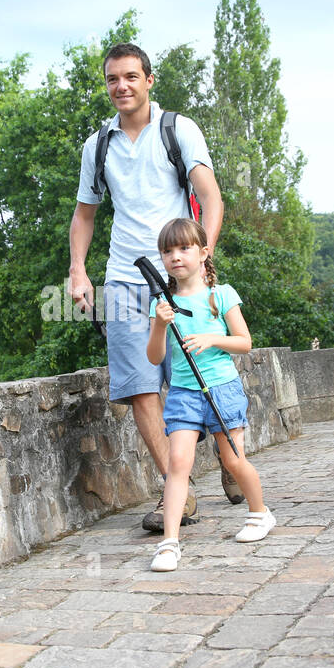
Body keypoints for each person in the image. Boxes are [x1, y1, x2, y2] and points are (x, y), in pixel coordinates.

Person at [68, 43, 227, 533]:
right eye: (113, 79)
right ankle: (179, 491)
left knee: (200, 372)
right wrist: (78, 269)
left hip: (178, 273)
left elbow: (211, 198)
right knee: (140, 386)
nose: (122, 86)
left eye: (131, 77)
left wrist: (201, 261)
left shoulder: (177, 130)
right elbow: (84, 214)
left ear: (149, 80)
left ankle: (229, 452)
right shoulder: (98, 145)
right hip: (121, 277)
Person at [145, 219, 273, 571]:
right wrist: (159, 324)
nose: (175, 257)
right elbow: (155, 358)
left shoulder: (221, 295)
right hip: (184, 392)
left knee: (232, 459)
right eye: (167, 251)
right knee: (178, 465)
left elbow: (244, 342)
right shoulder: (162, 302)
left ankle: (260, 514)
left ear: (203, 253)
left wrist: (211, 339)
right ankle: (169, 543)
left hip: (222, 387)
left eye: (184, 248)